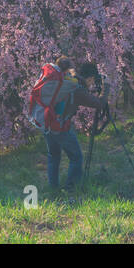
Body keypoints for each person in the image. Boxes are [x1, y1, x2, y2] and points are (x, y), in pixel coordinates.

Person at [33, 57, 109, 191]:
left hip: (47, 123)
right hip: (61, 128)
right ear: (90, 78)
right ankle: (71, 188)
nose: (92, 84)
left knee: (53, 156)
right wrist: (106, 88)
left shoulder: (65, 81)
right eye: (92, 80)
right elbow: (99, 104)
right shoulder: (76, 89)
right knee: (76, 157)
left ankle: (53, 188)